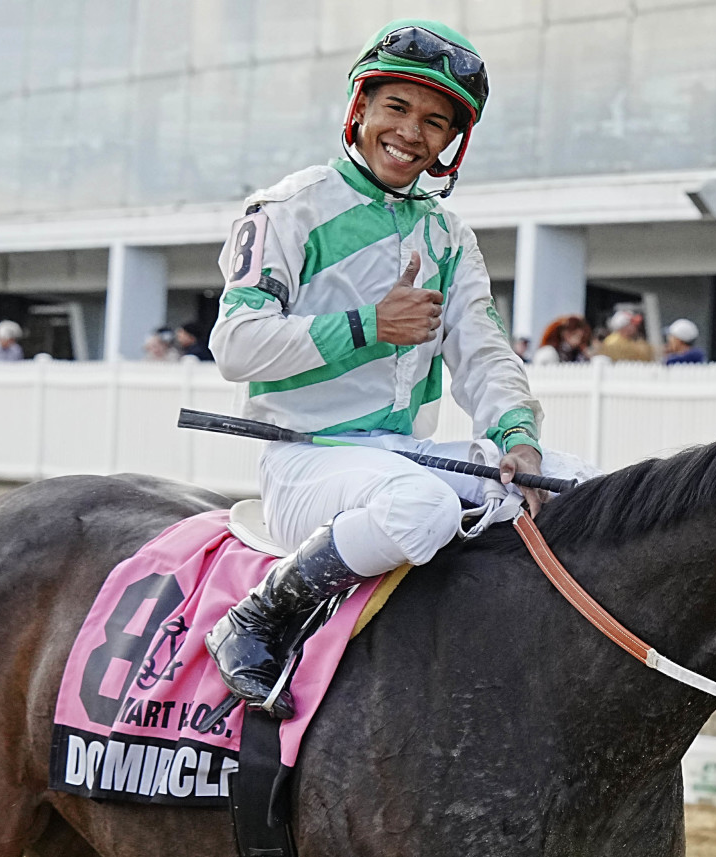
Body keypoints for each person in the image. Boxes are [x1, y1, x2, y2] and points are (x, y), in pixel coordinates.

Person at [206, 18, 590, 718]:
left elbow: (483, 350)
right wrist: (368, 326)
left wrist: (516, 439)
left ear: (452, 142)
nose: (413, 133)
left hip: (403, 454)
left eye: (436, 121)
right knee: (423, 508)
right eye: (398, 109)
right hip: (305, 461)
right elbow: (235, 343)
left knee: (579, 485)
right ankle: (259, 614)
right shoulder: (291, 206)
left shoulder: (447, 235)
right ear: (361, 109)